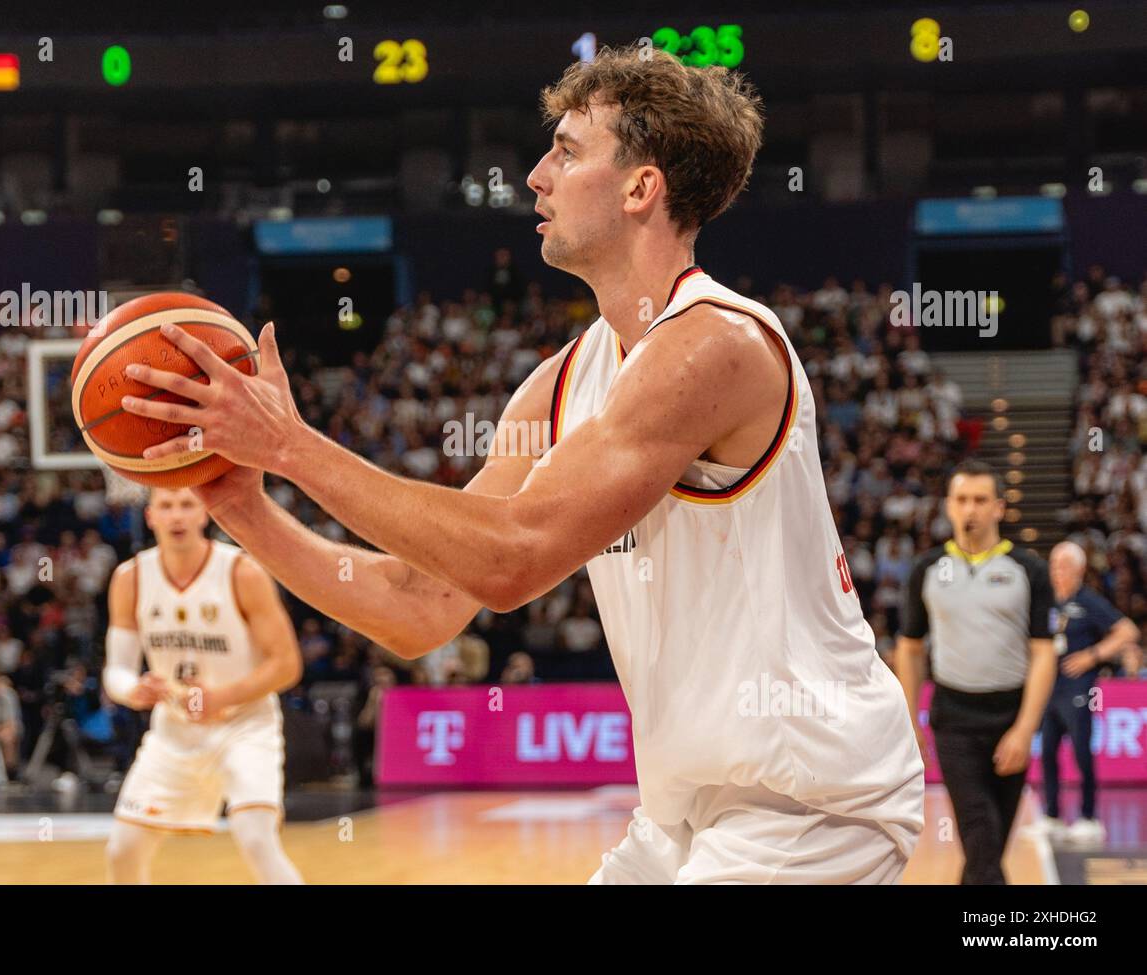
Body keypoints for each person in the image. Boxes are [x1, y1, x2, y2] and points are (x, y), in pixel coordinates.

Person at [121, 46, 924, 884]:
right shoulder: (555, 387)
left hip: (812, 805)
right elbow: (419, 605)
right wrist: (241, 503)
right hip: (686, 816)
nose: (536, 175)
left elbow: (514, 556)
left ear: (641, 187)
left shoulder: (714, 344)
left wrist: (290, 445)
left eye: (569, 151)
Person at [102, 487, 304, 885]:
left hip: (244, 726)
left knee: (256, 839)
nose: (176, 515)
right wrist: (132, 690)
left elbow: (287, 664)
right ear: (150, 517)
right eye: (166, 506)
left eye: (186, 505)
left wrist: (220, 698)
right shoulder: (131, 577)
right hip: (174, 732)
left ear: (204, 514)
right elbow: (116, 671)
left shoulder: (242, 572)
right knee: (122, 850)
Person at [895, 460, 1057, 884]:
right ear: (949, 506)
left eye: (981, 500)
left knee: (989, 845)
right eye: (962, 499)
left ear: (999, 507)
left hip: (1009, 717)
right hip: (954, 720)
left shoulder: (1029, 570)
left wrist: (1024, 729)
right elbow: (910, 649)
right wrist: (911, 720)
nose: (971, 509)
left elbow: (1044, 652)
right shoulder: (927, 570)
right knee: (979, 830)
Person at [1041, 541, 1139, 842]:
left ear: (1080, 570)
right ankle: (1053, 816)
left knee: (1082, 752)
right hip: (1050, 687)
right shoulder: (1047, 600)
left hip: (1078, 689)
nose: (1058, 571)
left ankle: (1088, 816)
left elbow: (1127, 631)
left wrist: (1092, 656)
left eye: (1065, 566)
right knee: (1047, 753)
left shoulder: (1088, 600)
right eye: (1055, 564)